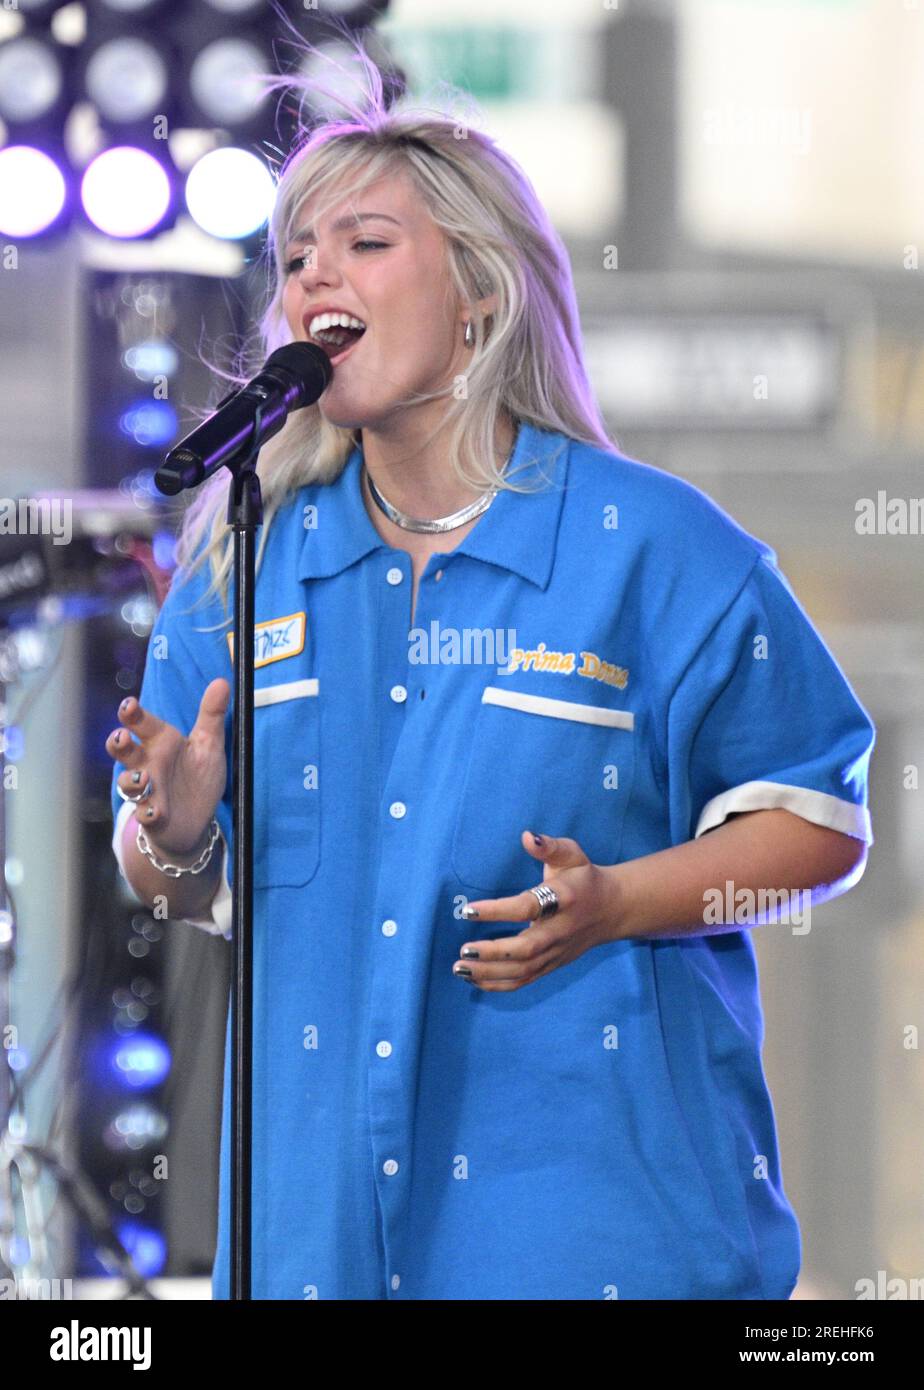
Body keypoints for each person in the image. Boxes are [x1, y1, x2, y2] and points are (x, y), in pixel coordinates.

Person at [107, 55, 874, 1300]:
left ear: (480, 293)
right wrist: (177, 833)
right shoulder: (240, 565)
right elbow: (171, 875)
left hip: (596, 1243)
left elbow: (820, 829)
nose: (314, 279)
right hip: (317, 1252)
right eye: (296, 258)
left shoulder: (656, 548)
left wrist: (620, 899)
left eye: (363, 242)